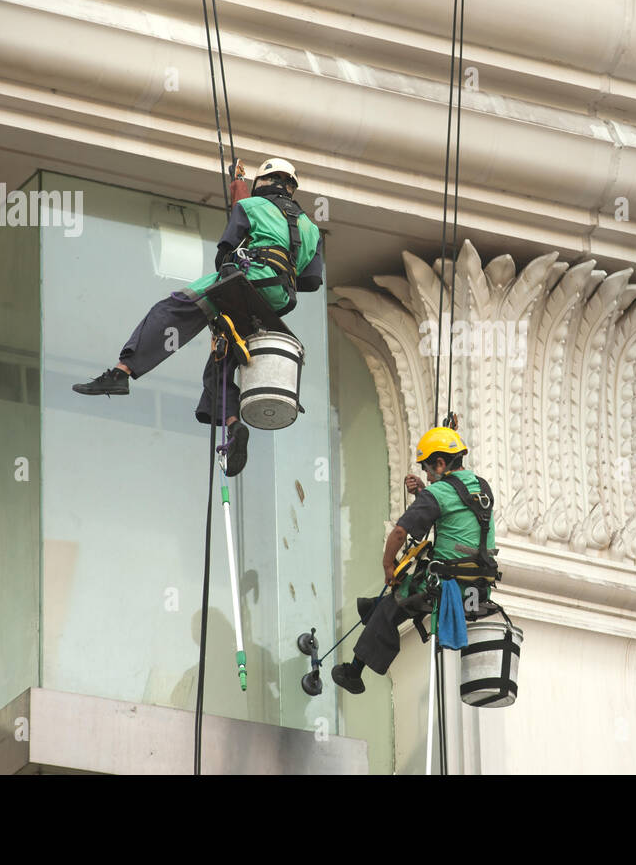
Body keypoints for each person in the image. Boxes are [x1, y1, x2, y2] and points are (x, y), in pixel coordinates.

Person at [71, 158, 323, 475]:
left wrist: (243, 221)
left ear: (262, 183)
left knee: (172, 309)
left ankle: (121, 373)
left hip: (245, 284)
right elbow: (311, 281)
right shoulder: (311, 229)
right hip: (275, 301)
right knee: (220, 364)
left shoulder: (251, 206)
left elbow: (224, 254)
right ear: (291, 187)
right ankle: (233, 426)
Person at [331, 426, 496, 694]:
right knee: (385, 605)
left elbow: (399, 533)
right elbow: (456, 515)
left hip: (447, 584)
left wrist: (388, 566)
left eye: (427, 469)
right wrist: (423, 493)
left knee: (390, 606)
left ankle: (354, 672)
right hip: (478, 583)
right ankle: (368, 614)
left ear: (440, 463)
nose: (427, 476)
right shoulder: (482, 487)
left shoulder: (438, 493)